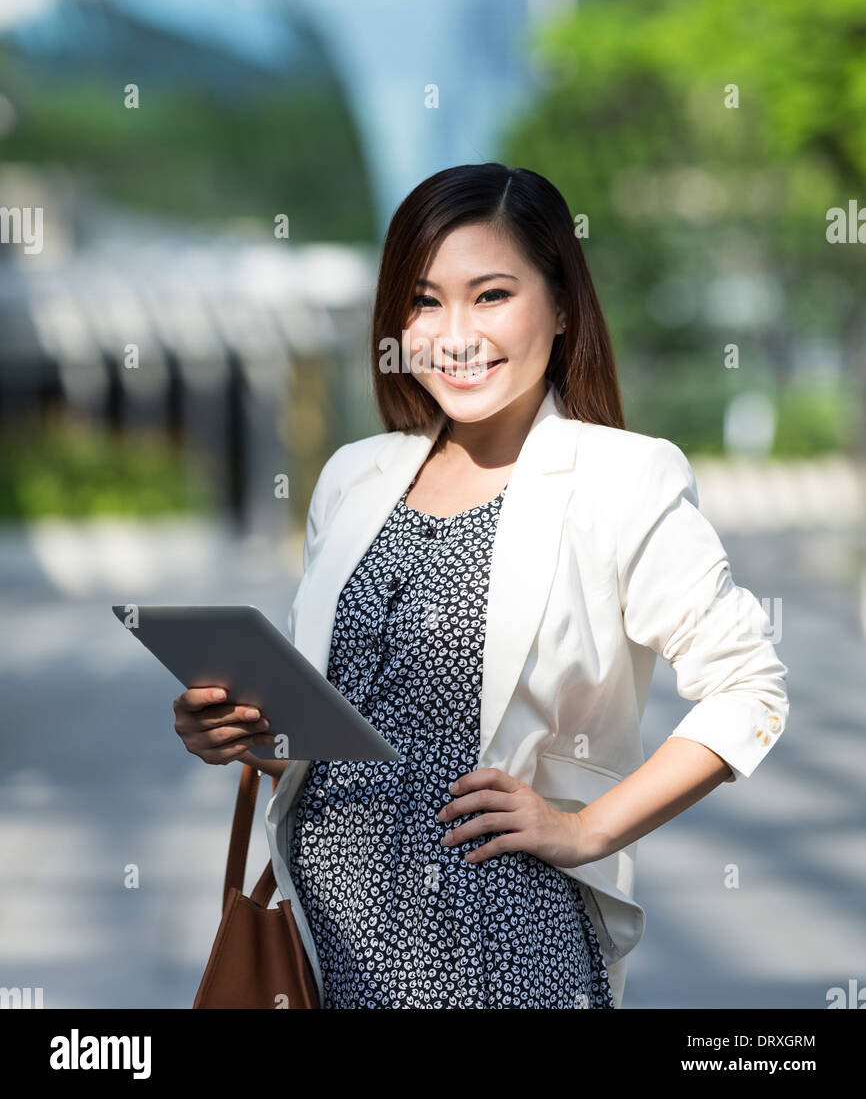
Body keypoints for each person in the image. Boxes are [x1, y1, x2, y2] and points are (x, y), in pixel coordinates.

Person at [173, 162, 789, 1009]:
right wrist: (242, 732)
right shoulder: (355, 478)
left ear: (564, 305)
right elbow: (346, 730)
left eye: (491, 295)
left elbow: (748, 685)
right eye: (425, 301)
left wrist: (585, 829)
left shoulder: (621, 477)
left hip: (496, 947)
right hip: (327, 939)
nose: (454, 333)